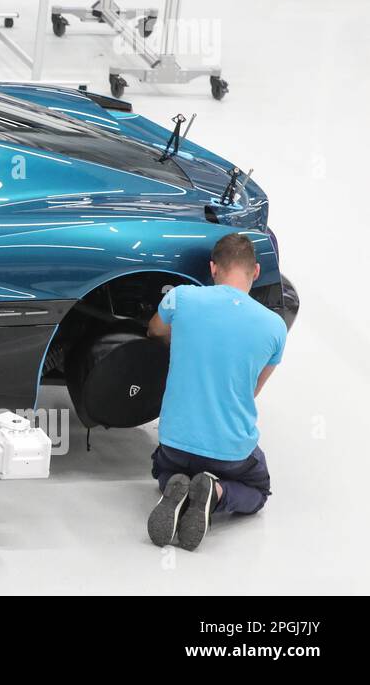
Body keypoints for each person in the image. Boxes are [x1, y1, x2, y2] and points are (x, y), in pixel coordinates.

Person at [144, 233, 287, 551]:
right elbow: (252, 391)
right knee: (258, 491)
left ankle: (174, 487)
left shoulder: (181, 298)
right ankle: (216, 492)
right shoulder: (275, 326)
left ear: (213, 268)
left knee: (165, 467)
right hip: (230, 452)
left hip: (175, 444)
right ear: (256, 272)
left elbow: (154, 330)